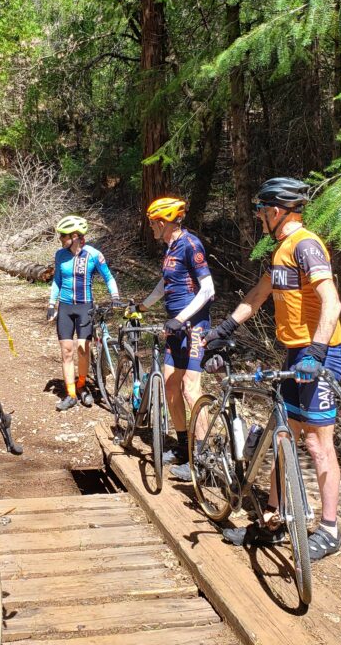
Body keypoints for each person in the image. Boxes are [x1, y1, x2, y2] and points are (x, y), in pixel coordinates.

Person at [202, 177, 341, 561]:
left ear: (277, 211)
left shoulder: (306, 246)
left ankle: (330, 530)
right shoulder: (280, 250)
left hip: (321, 353)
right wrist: (224, 329)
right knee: (283, 432)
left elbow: (331, 303)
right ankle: (274, 518)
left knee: (317, 442)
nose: (259, 217)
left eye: (262, 210)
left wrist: (316, 352)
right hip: (296, 353)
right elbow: (258, 295)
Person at [131, 197, 215, 480]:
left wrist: (181, 319)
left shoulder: (191, 245)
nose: (151, 227)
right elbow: (164, 283)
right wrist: (143, 306)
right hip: (175, 328)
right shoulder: (170, 249)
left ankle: (202, 458)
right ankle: (183, 447)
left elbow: (208, 290)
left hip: (194, 327)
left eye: (153, 223)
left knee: (191, 390)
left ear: (163, 222)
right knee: (170, 387)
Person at [47, 214, 121, 411]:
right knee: (66, 351)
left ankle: (82, 386)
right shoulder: (60, 255)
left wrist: (115, 297)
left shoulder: (93, 255)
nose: (60, 239)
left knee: (82, 348)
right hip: (65, 307)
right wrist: (51, 304)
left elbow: (108, 277)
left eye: (63, 236)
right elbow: (56, 280)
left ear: (75, 236)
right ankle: (71, 393)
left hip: (84, 307)